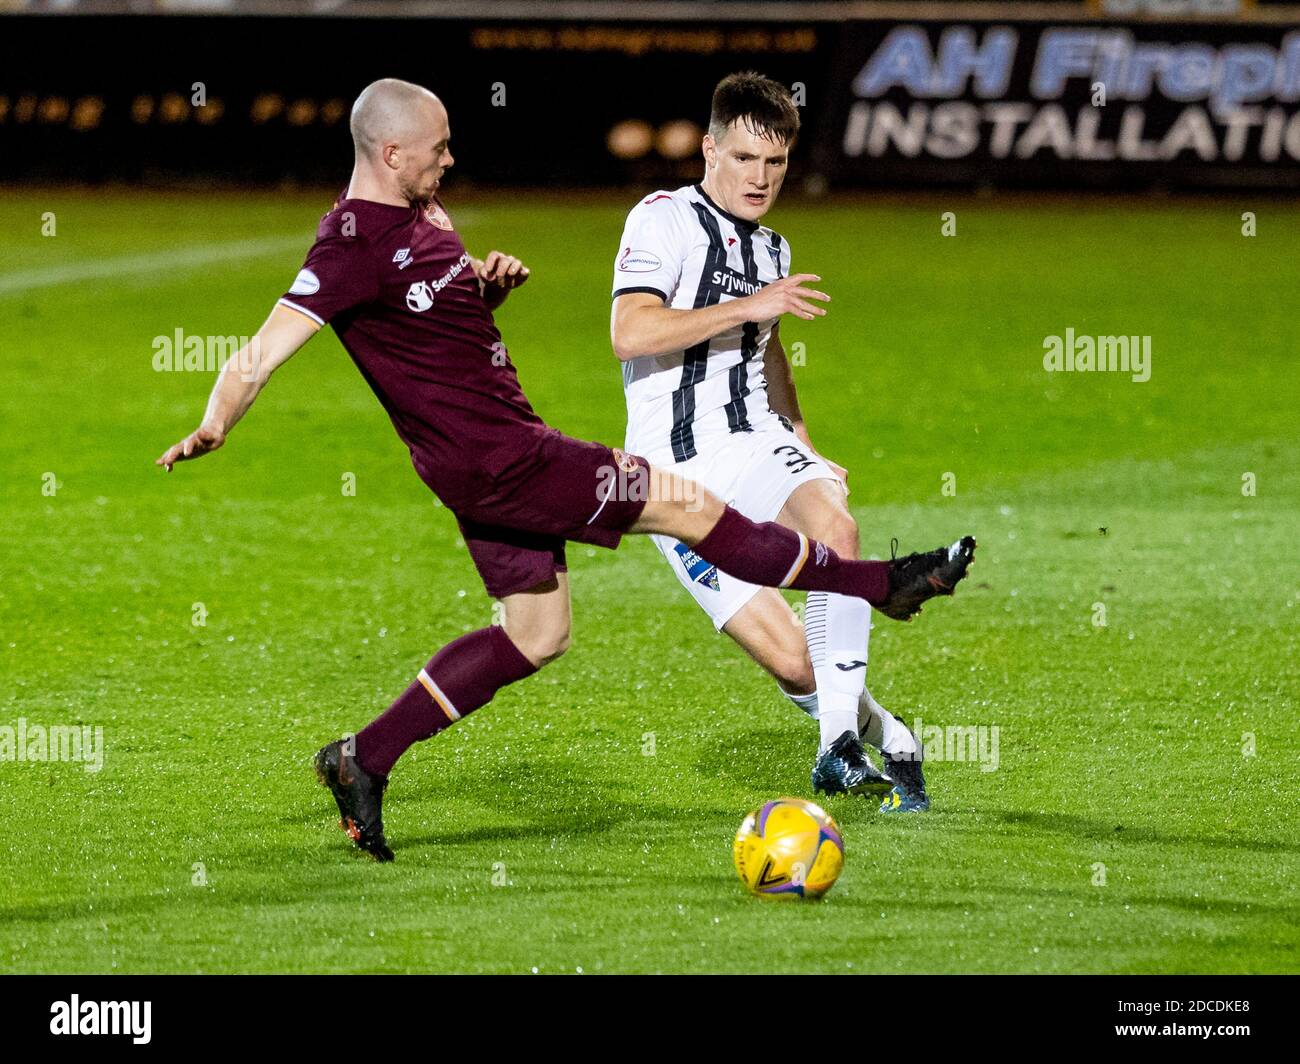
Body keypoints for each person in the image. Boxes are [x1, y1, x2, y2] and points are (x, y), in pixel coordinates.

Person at [156, 78, 976, 860]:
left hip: (489, 455)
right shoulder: (348, 246)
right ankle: (885, 584)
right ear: (393, 151)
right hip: (508, 460)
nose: (451, 161)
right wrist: (214, 423)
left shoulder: (425, 213)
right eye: (439, 150)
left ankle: (363, 758)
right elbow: (260, 353)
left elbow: (429, 330)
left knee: (537, 634)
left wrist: (483, 292)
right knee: (689, 507)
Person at [611, 72, 940, 813]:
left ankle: (833, 752)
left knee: (835, 528)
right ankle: (893, 740)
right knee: (796, 660)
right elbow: (629, 331)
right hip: (671, 476)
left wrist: (804, 442)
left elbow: (767, 351)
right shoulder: (660, 219)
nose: (761, 179)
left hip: (749, 440)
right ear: (709, 150)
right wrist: (749, 303)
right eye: (745, 160)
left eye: (776, 164)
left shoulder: (774, 248)